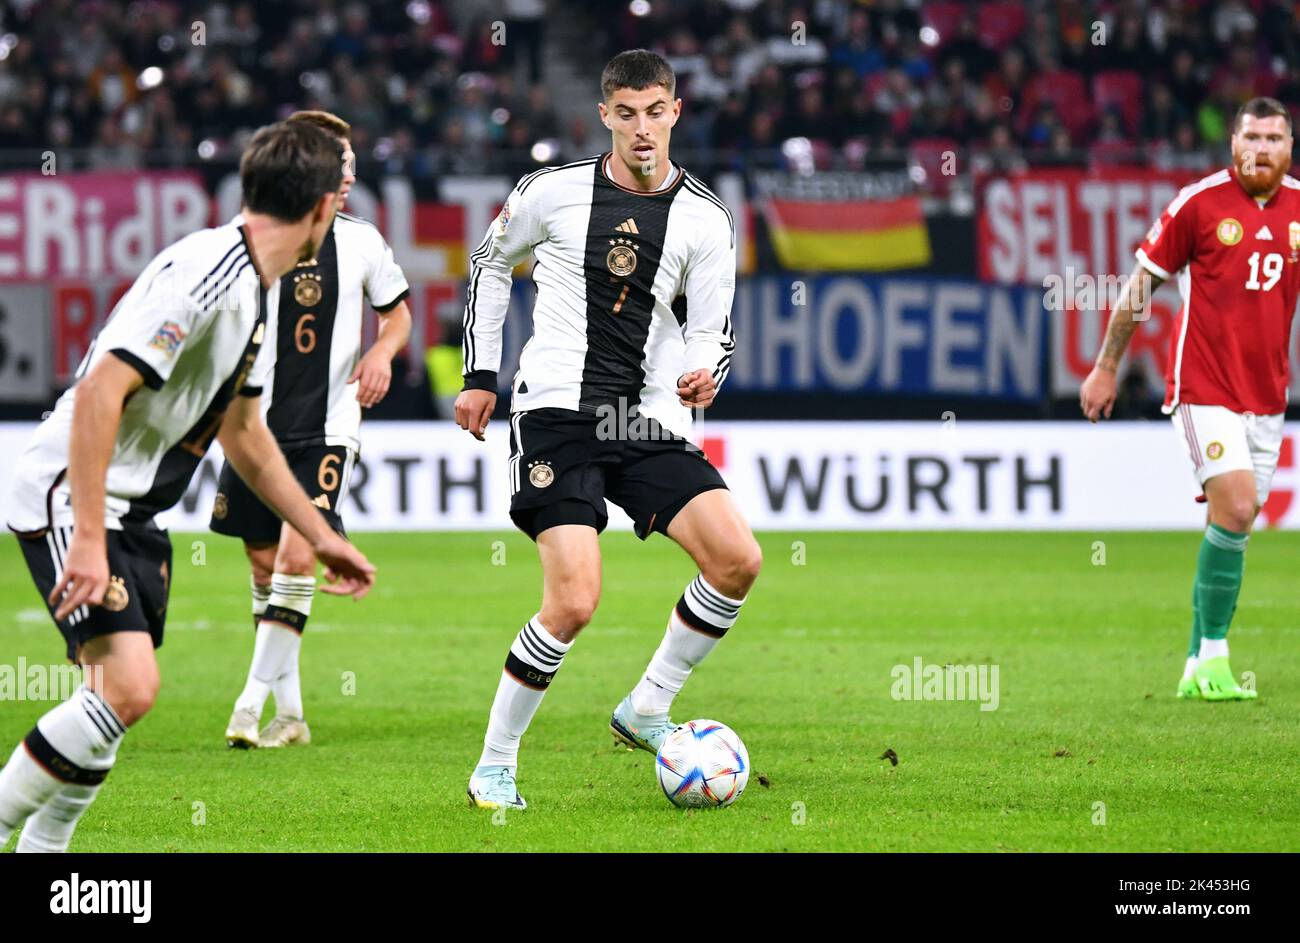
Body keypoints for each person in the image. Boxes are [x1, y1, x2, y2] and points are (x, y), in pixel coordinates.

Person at [0, 121, 376, 852]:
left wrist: (321, 536)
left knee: (108, 699)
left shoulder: (255, 291)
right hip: (74, 493)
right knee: (130, 687)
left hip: (133, 509)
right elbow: (101, 390)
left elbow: (247, 435)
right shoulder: (209, 272)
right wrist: (86, 538)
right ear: (323, 208)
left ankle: (46, 854)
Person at [455, 49, 762, 810]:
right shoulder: (550, 192)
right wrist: (479, 374)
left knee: (737, 560)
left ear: (675, 112)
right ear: (605, 116)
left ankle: (648, 707)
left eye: (655, 112)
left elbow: (712, 328)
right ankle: (494, 765)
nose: (642, 128)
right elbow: (489, 264)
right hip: (557, 413)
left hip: (643, 415)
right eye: (626, 114)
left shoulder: (706, 219)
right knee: (574, 600)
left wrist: (704, 371)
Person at [1080, 97, 1299, 701]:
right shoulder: (1198, 204)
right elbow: (1141, 285)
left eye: (1274, 139)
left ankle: (1194, 663)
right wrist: (1106, 367)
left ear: (1289, 148)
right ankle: (1216, 659)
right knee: (1237, 508)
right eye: (1251, 137)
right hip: (1203, 386)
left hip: (1267, 395)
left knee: (1233, 522)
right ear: (1233, 144)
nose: (1261, 148)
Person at [212, 111, 411, 749]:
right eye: (340, 164)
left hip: (329, 425)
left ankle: (247, 707)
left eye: (352, 163)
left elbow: (398, 315)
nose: (350, 175)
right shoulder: (246, 242)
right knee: (263, 564)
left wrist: (381, 353)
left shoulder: (362, 242)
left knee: (299, 555)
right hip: (254, 427)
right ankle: (292, 714)